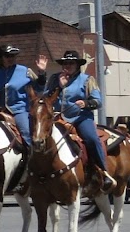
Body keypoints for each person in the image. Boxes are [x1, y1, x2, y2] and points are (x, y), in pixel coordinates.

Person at [43, 50, 114, 193]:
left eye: (71, 63)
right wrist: (59, 87)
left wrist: (86, 103)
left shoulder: (87, 80)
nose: (68, 65)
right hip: (58, 118)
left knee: (92, 139)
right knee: (39, 137)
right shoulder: (54, 79)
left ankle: (102, 171)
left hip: (80, 117)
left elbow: (98, 101)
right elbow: (45, 98)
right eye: (65, 63)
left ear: (77, 65)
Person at [0, 44, 43, 157]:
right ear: (1, 57)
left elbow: (39, 88)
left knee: (26, 132)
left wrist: (41, 73)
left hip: (19, 110)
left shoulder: (25, 71)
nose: (11, 58)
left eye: (13, 56)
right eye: (7, 56)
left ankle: (33, 158)